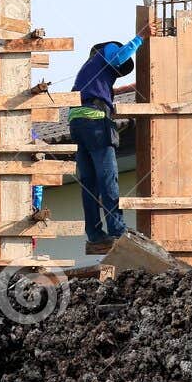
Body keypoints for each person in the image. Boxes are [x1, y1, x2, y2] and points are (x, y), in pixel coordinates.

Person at [69, 32, 148, 254]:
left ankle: (94, 233)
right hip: (95, 121)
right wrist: (140, 38)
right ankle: (117, 229)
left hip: (76, 122)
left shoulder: (88, 73)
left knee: (89, 183)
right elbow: (119, 56)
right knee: (107, 178)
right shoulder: (107, 51)